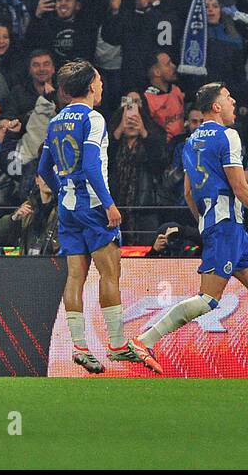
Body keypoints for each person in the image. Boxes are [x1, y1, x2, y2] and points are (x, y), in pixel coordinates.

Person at [135, 83, 248, 378]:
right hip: (227, 227)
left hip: (219, 225)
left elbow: (187, 192)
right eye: (228, 97)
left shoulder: (191, 141)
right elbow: (239, 186)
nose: (234, 100)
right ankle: (144, 341)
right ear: (217, 107)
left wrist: (203, 222)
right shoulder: (228, 136)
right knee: (209, 300)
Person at [37, 59, 158, 375]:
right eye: (100, 81)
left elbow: (42, 170)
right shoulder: (93, 118)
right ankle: (118, 345)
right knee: (109, 273)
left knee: (75, 276)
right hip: (92, 206)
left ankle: (80, 347)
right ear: (91, 86)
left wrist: (63, 190)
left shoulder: (56, 121)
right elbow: (91, 166)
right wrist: (108, 204)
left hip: (67, 207)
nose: (102, 86)